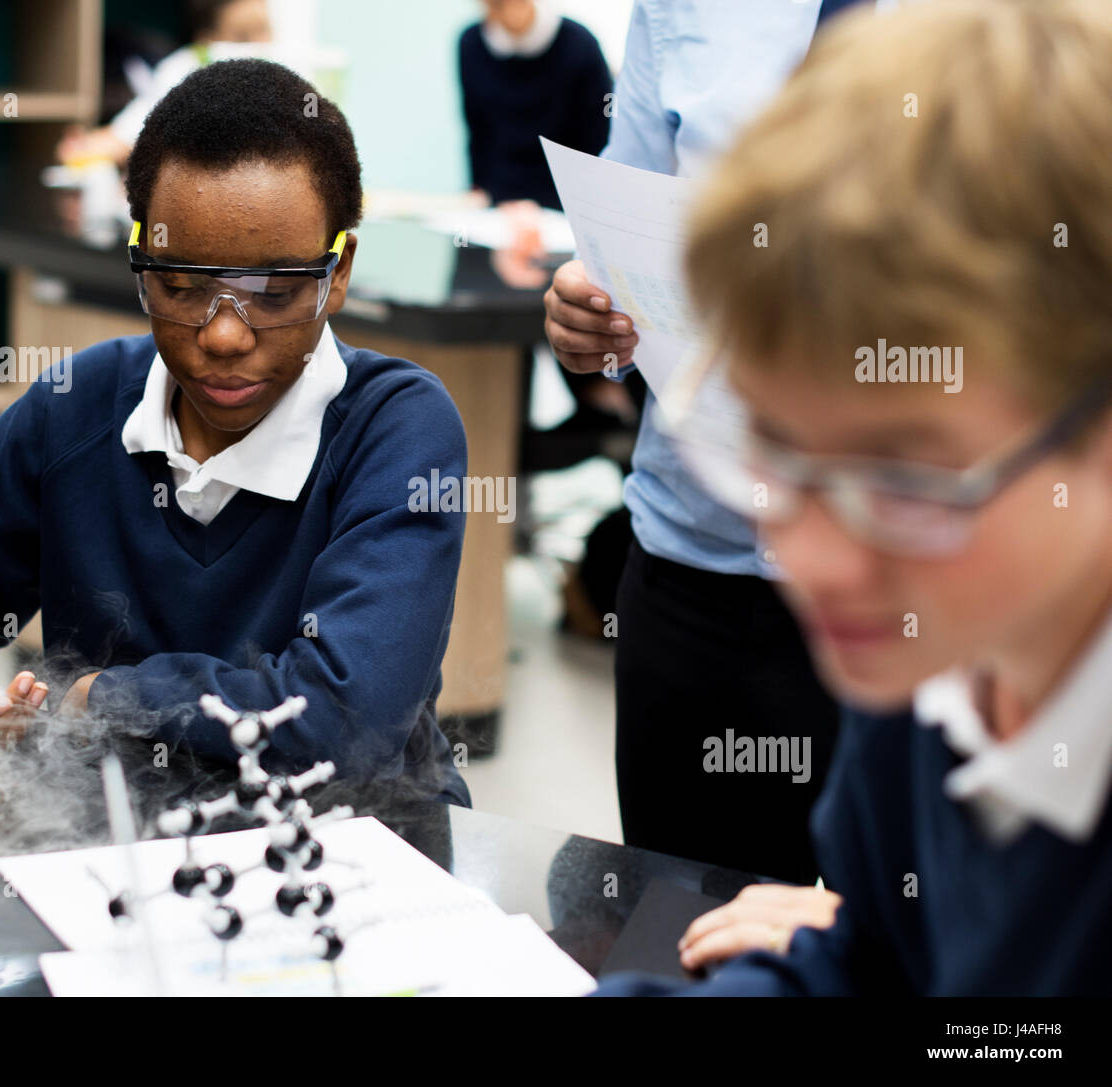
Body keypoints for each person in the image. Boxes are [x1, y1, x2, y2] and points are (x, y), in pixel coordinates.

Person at [601, 0, 1112, 995]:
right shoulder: (927, 672)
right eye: (772, 450)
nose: (814, 563)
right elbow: (860, 958)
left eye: (902, 478)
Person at [0, 59, 471, 806]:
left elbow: (344, 720)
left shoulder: (396, 428)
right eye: (179, 286)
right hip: (115, 847)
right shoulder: (80, 403)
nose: (221, 336)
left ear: (338, 272)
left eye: (273, 293)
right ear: (140, 266)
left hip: (356, 849)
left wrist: (96, 697)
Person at [543, 0, 883, 886]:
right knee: (677, 923)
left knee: (902, 946)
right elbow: (622, 222)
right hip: (694, 567)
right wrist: (589, 303)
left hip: (913, 586)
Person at [56, 0, 274, 168]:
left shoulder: (297, 73)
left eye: (265, 31)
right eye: (242, 38)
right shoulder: (185, 68)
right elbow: (129, 133)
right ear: (205, 39)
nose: (259, 47)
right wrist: (84, 149)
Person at [458, 0, 613, 211]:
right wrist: (481, 194)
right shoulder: (471, 45)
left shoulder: (580, 44)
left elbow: (599, 139)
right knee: (464, 240)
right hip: (500, 204)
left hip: (568, 202)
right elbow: (477, 132)